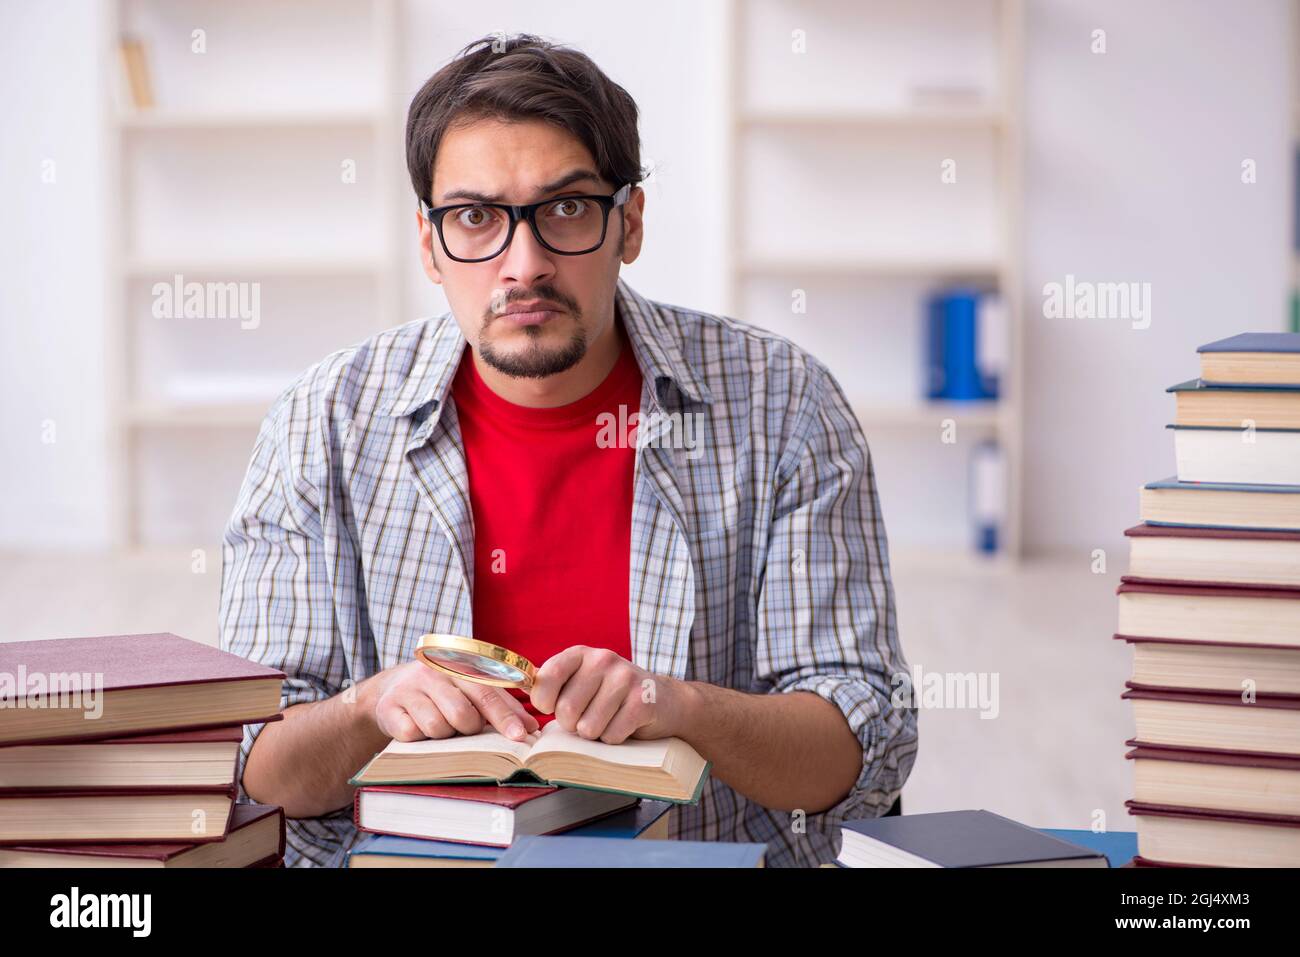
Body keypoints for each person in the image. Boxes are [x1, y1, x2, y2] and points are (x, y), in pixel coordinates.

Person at [220, 33, 917, 867]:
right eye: (475, 217)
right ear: (428, 242)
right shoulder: (321, 421)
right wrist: (371, 707)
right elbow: (255, 770)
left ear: (630, 223)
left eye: (567, 209)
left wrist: (682, 704)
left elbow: (859, 750)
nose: (526, 263)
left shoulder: (784, 403)